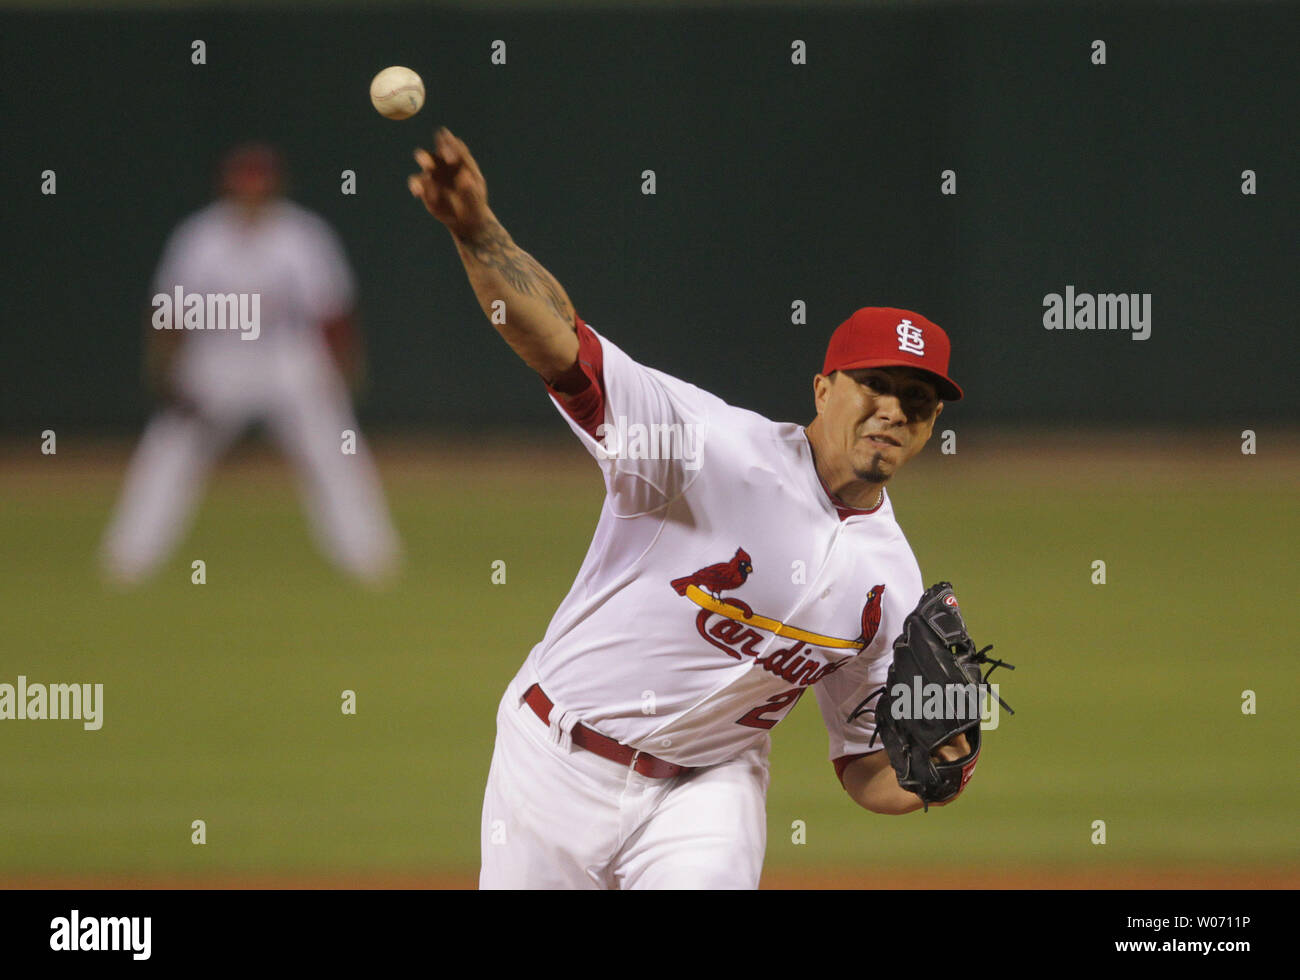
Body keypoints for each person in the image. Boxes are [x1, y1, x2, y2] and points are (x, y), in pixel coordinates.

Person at [408, 128, 974, 889]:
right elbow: (562, 348)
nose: (894, 411)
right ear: (823, 388)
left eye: (918, 401)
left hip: (710, 792)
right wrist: (477, 230)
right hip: (552, 758)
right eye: (875, 384)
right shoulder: (705, 447)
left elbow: (865, 767)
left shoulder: (894, 585)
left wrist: (945, 770)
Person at [101, 144, 400, 586]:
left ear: (274, 186)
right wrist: (166, 371)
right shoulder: (200, 237)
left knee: (336, 448)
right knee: (169, 450)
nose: (252, 193)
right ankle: (129, 559)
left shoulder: (302, 235)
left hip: (287, 356)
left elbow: (333, 313)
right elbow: (168, 312)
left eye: (260, 183)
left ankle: (370, 558)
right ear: (229, 187)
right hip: (217, 356)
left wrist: (342, 370)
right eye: (244, 184)